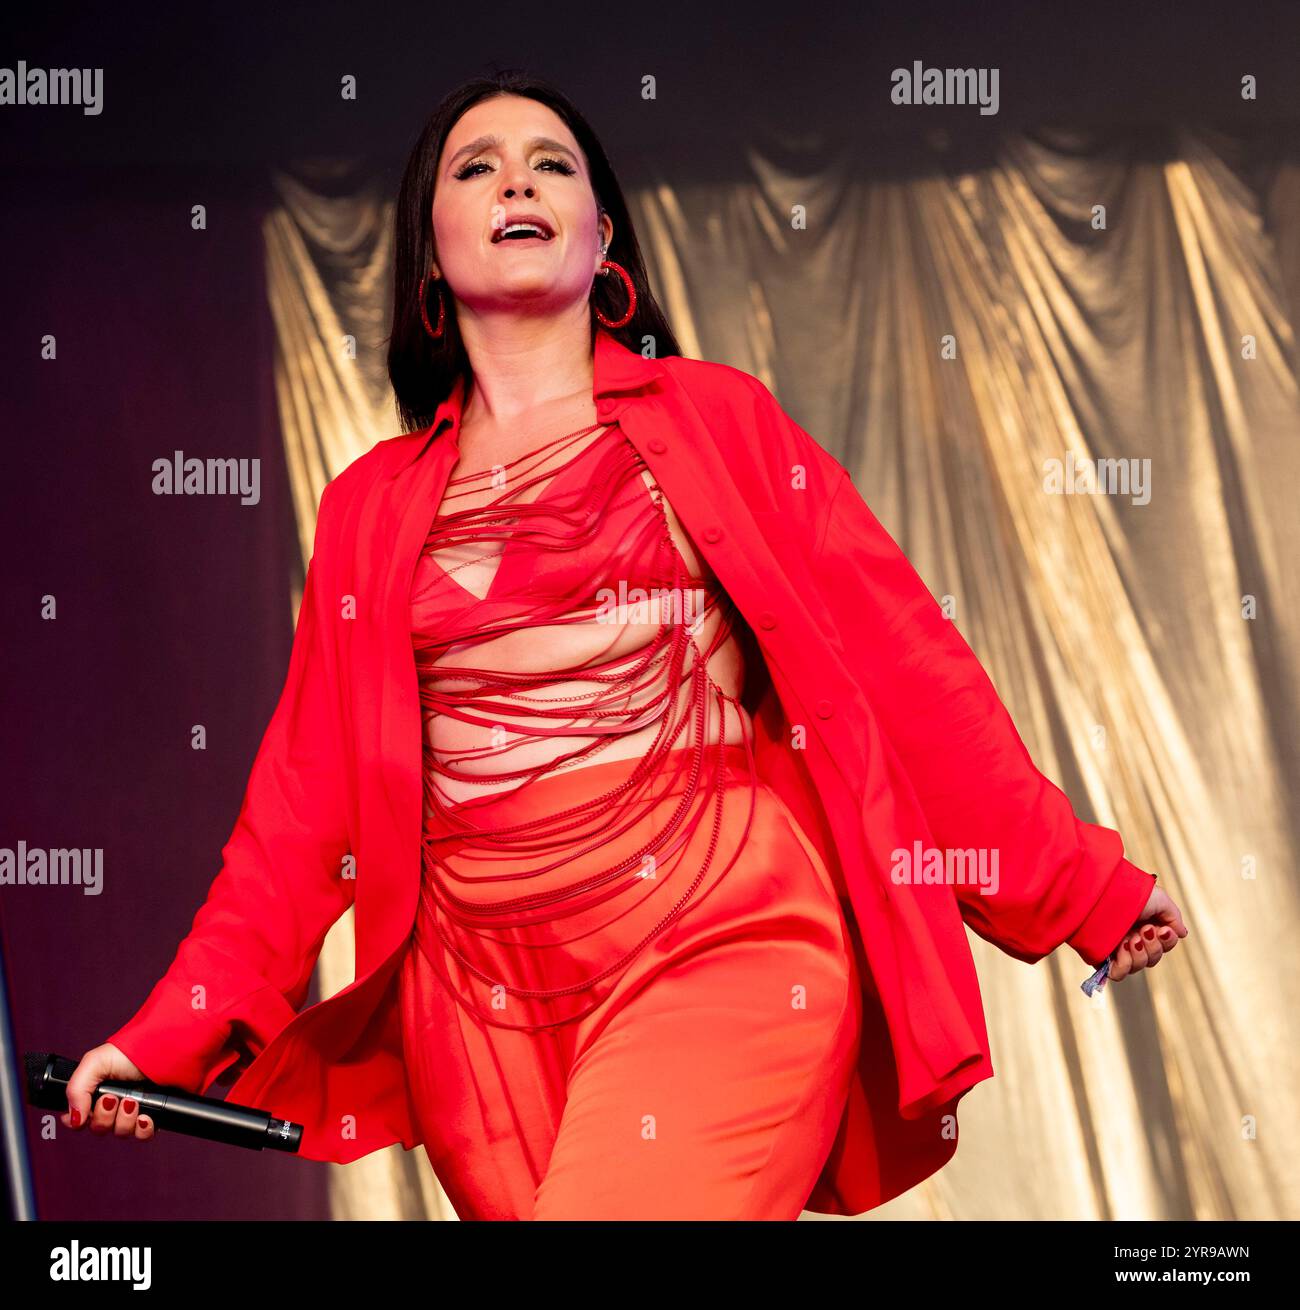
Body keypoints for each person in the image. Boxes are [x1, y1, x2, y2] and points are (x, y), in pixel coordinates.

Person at [63, 72, 1188, 1220]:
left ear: (603, 240)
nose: (516, 178)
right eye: (475, 165)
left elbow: (902, 667)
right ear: (430, 260)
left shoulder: (717, 420)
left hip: (724, 929)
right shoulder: (367, 508)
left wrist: (1074, 881)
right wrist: (168, 1034)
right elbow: (297, 825)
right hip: (486, 1020)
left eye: (552, 164)